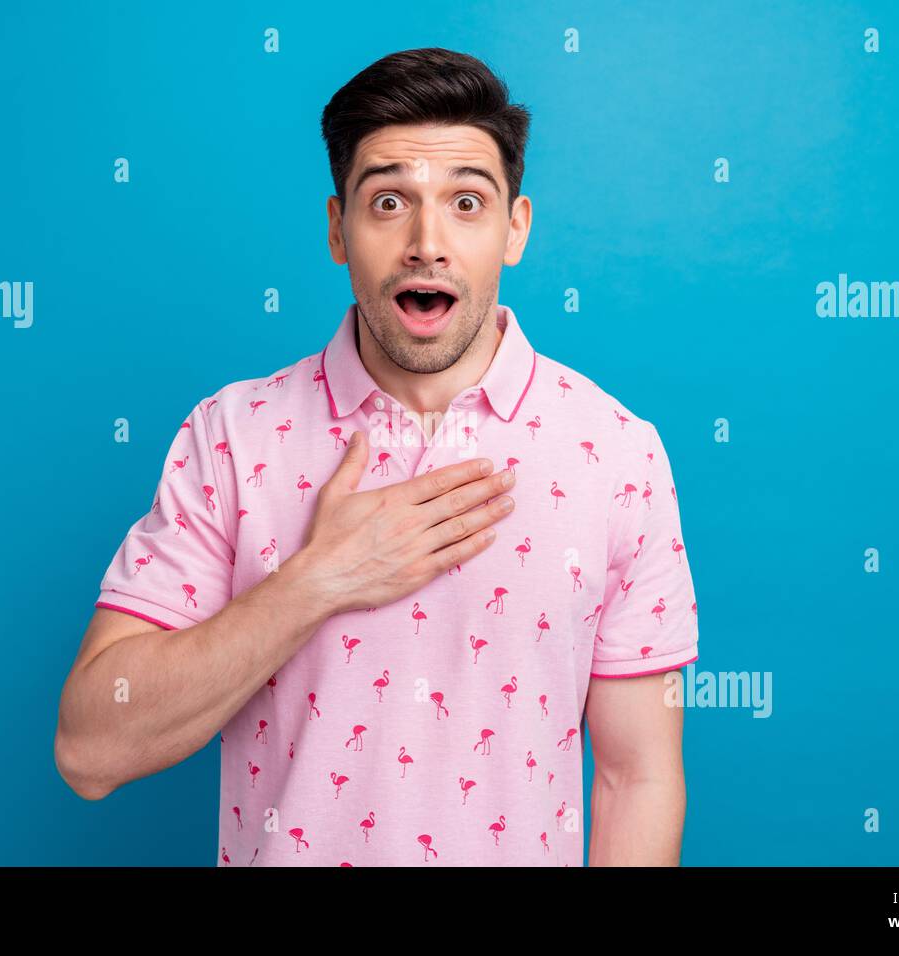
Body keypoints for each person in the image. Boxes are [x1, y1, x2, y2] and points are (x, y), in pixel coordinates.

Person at [54, 47, 699, 867]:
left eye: (467, 202)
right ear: (337, 231)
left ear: (515, 229)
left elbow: (634, 779)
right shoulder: (231, 435)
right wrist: (319, 581)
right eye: (389, 201)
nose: (427, 244)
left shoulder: (615, 452)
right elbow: (89, 749)